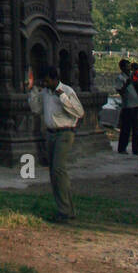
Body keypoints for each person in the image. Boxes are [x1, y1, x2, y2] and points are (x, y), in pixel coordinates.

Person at [28, 64, 85, 222]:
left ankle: (64, 211)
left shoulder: (67, 91)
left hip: (65, 133)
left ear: (54, 79)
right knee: (55, 172)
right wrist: (33, 92)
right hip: (51, 134)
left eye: (47, 81)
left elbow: (79, 112)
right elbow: (36, 110)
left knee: (58, 169)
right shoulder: (45, 93)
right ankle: (67, 209)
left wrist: (62, 97)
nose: (45, 84)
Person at [115, 58, 138, 155]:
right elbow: (120, 91)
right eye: (127, 66)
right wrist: (126, 84)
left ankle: (137, 150)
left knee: (137, 129)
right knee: (126, 128)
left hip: (136, 105)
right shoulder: (120, 78)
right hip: (127, 106)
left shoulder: (133, 76)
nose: (129, 68)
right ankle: (122, 148)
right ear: (122, 68)